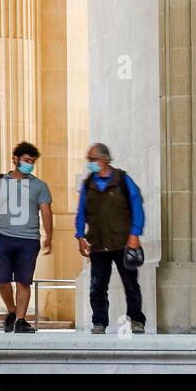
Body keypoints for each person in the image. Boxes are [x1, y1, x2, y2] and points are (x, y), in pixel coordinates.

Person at [0, 142, 53, 333]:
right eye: (27, 160)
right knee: (3, 281)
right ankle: (12, 311)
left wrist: (49, 236)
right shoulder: (0, 183)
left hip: (29, 240)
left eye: (32, 161)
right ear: (15, 159)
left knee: (23, 281)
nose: (30, 164)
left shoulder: (39, 186)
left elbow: (46, 211)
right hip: (3, 237)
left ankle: (20, 320)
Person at [75, 143, 147, 334]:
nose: (89, 163)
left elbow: (137, 207)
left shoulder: (122, 180)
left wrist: (135, 235)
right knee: (97, 286)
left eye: (92, 160)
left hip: (123, 242)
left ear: (104, 159)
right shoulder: (87, 183)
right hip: (98, 244)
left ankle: (137, 320)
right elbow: (81, 211)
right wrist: (80, 235)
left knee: (131, 284)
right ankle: (99, 322)